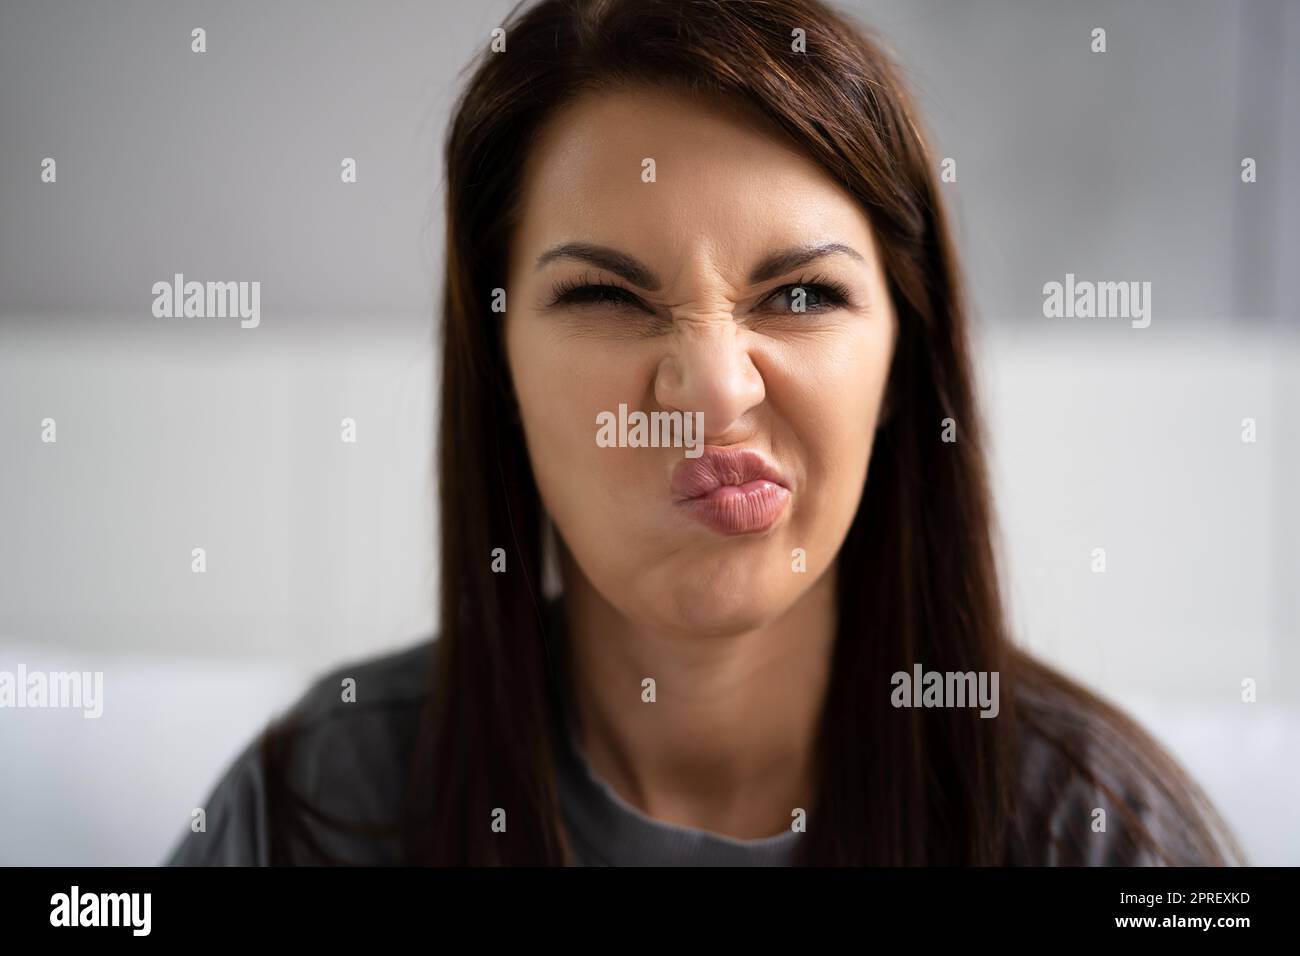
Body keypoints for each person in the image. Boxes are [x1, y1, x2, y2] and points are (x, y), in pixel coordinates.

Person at [167, 0, 1241, 866]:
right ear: (498, 364)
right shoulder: (315, 806)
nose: (714, 391)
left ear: (902, 366)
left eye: (804, 295)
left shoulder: (1098, 834)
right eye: (605, 296)